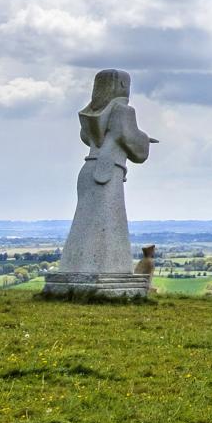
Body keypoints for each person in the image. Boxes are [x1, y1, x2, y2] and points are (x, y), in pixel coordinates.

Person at [57, 70, 156, 276]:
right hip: (108, 172)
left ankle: (76, 269)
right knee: (108, 223)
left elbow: (87, 137)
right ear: (121, 85)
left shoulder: (93, 113)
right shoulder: (123, 111)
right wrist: (145, 138)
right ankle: (109, 272)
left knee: (84, 222)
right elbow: (133, 144)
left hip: (89, 169)